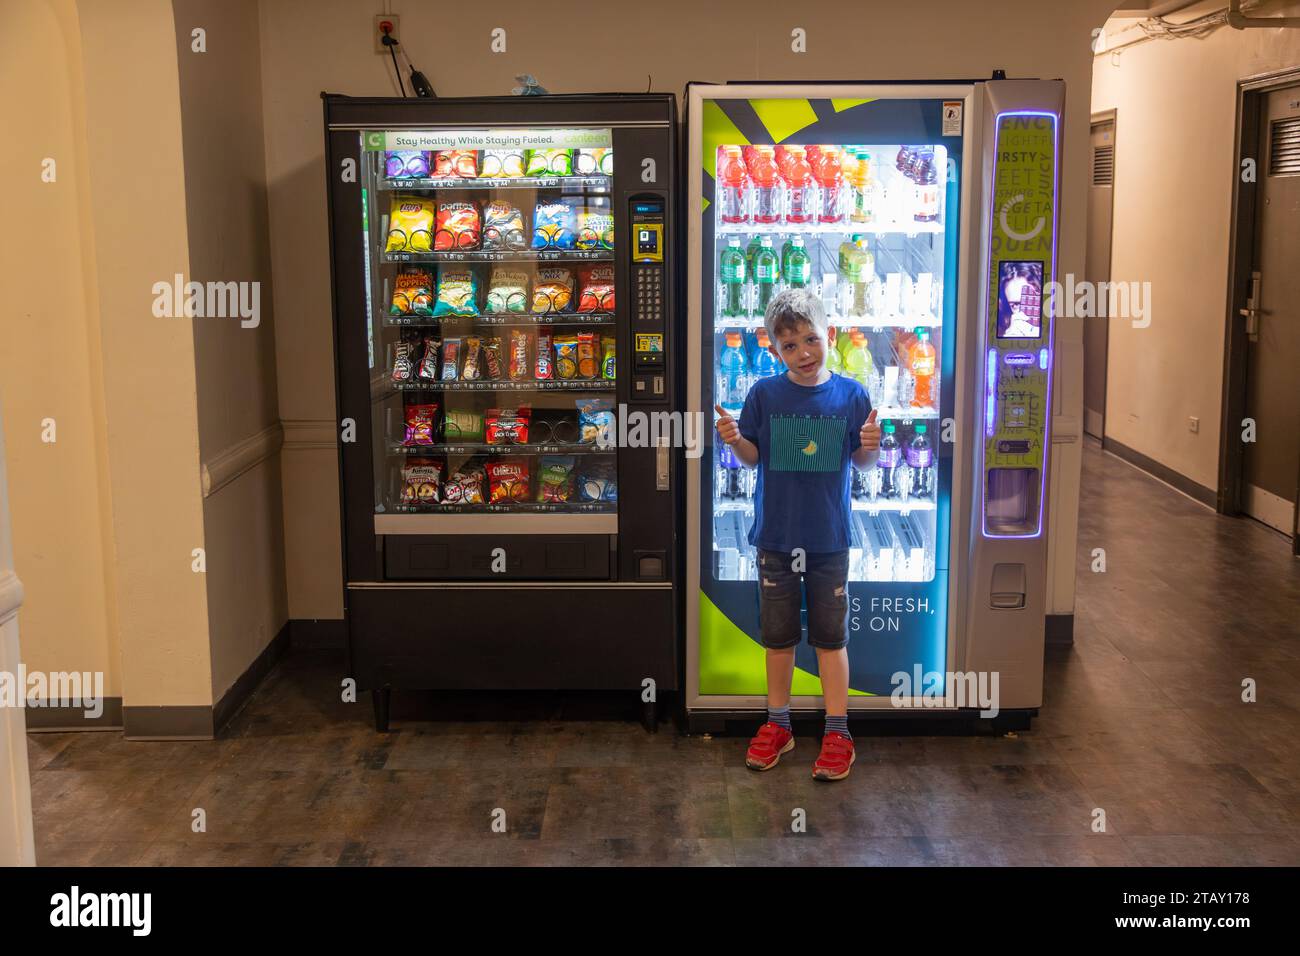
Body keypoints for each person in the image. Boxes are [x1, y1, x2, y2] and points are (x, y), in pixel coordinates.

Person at [714, 288, 880, 781]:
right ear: (774, 351)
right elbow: (753, 458)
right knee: (778, 639)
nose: (803, 354)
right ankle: (779, 723)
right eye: (790, 346)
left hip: (830, 539)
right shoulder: (764, 394)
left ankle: (838, 731)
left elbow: (863, 462)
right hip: (776, 538)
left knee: (831, 640)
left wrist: (870, 445)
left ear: (827, 334)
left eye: (810, 340)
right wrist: (735, 440)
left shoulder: (852, 395)